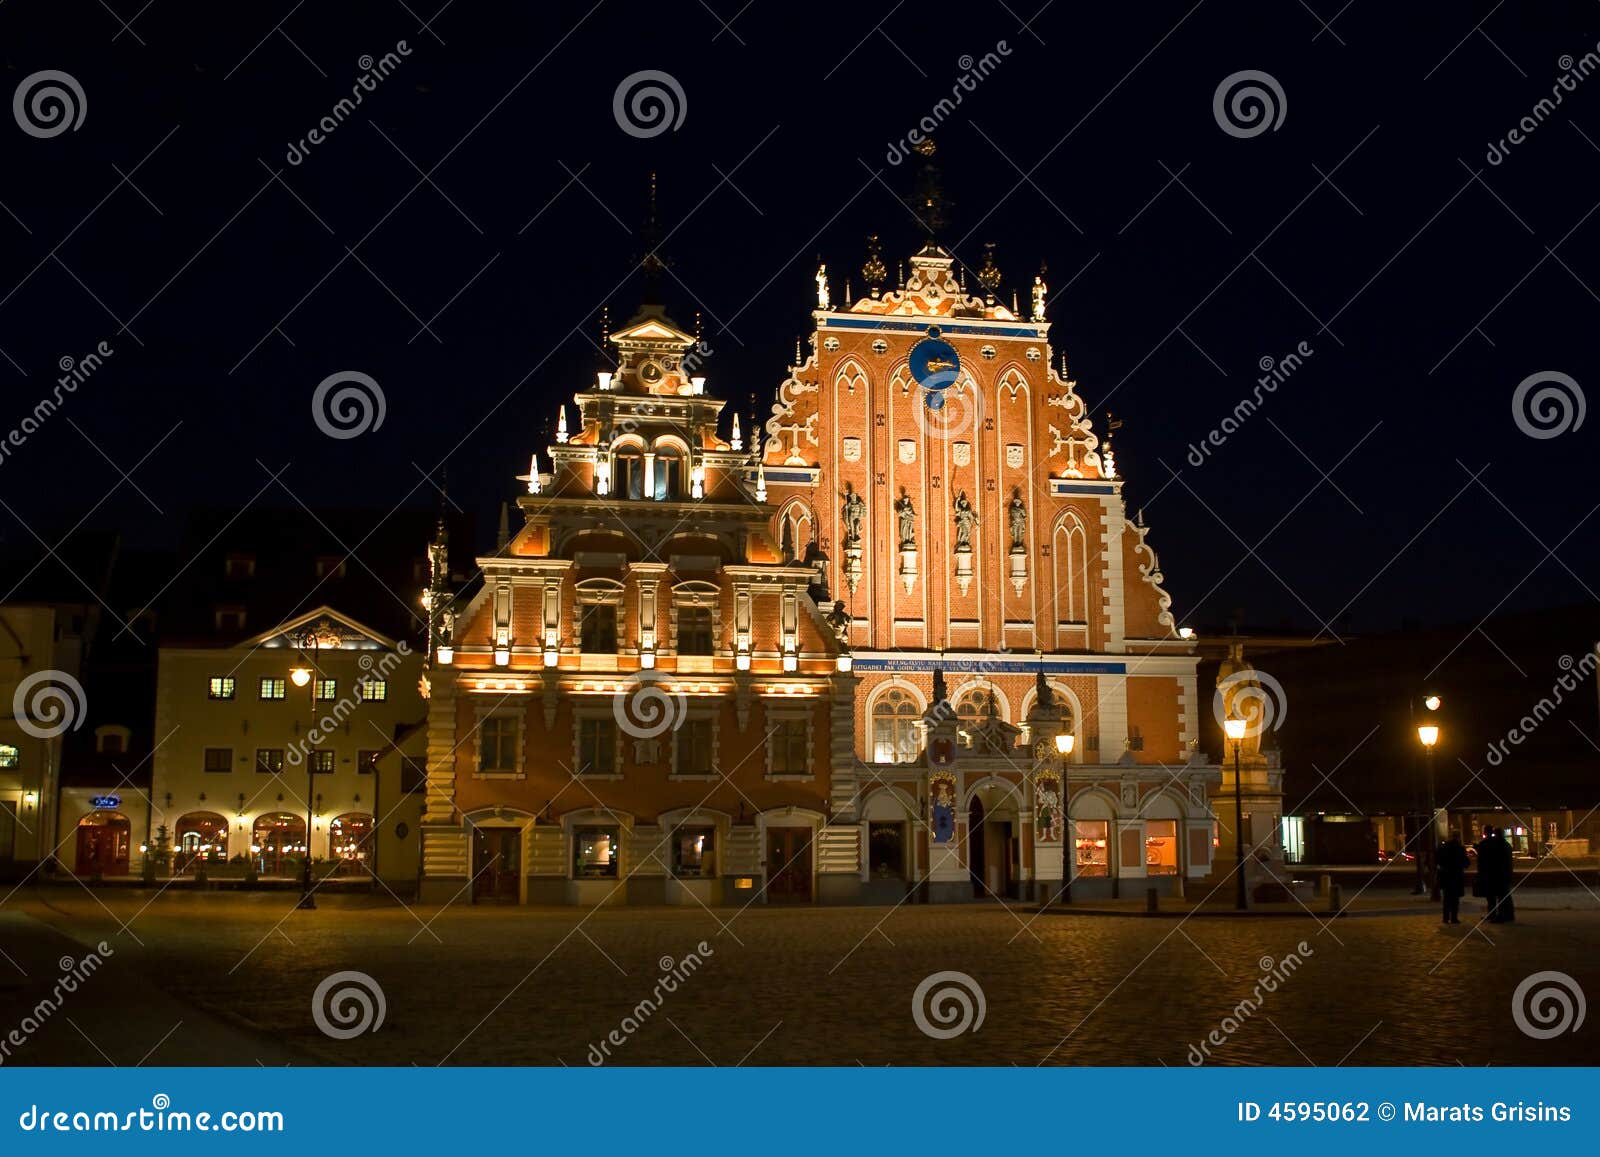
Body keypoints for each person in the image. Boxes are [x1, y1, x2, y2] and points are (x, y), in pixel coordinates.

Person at [1475, 825, 1514, 923]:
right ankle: (1506, 915)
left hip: (1495, 874)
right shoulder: (1505, 844)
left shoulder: (1493, 844)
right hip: (1503, 873)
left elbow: (1485, 860)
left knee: (1494, 895)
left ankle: (1498, 915)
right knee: (1503, 895)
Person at [1437, 830, 1468, 924]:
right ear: (1458, 837)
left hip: (1446, 875)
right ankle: (1454, 917)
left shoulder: (1444, 847)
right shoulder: (1460, 848)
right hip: (1456, 875)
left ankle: (1445, 918)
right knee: (1455, 898)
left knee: (1447, 898)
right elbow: (1465, 862)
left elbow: (1439, 860)